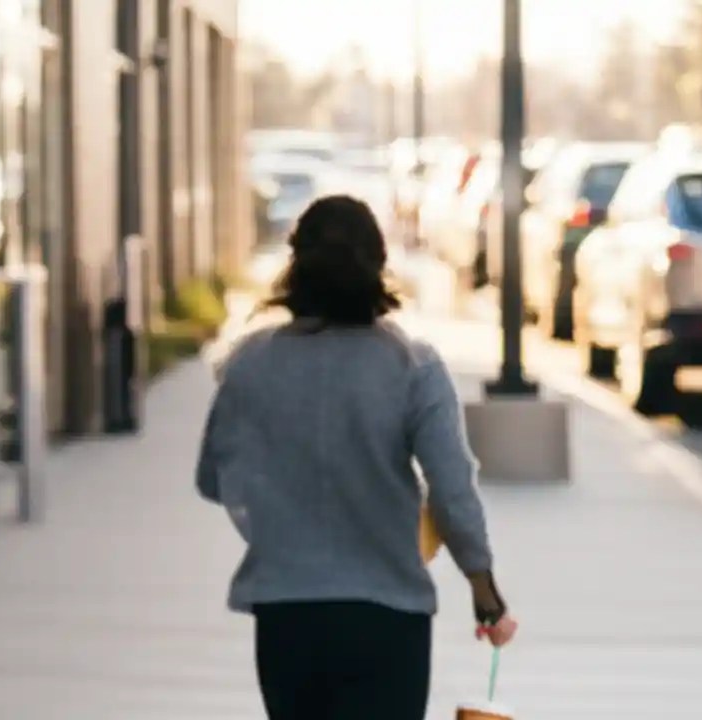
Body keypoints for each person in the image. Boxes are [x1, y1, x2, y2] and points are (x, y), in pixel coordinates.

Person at [196, 195, 517, 720]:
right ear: (379, 266)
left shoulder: (250, 364)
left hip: (287, 613)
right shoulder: (413, 366)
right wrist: (484, 587)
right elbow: (453, 490)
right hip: (387, 616)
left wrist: (280, 499)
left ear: (294, 265)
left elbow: (213, 478)